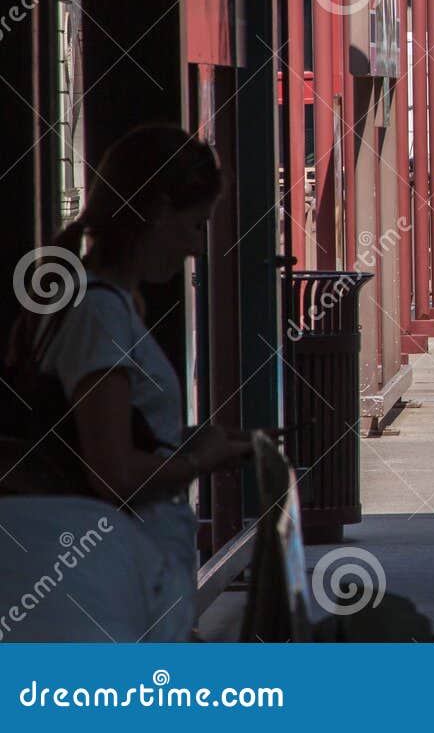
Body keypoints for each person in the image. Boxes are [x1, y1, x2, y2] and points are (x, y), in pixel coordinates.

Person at [0, 125, 253, 641]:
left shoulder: (96, 303)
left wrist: (187, 443)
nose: (196, 248)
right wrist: (203, 460)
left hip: (115, 582)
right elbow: (112, 469)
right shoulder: (102, 315)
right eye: (195, 226)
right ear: (159, 212)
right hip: (115, 588)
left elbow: (103, 438)